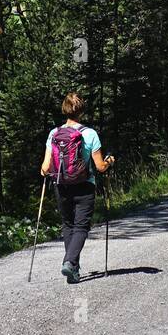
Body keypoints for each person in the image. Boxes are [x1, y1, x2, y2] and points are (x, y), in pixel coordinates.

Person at [41, 92, 115, 283]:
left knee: (68, 225)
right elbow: (99, 167)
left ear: (64, 109)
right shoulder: (90, 134)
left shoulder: (54, 133)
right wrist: (109, 162)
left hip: (61, 185)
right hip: (84, 185)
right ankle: (70, 262)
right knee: (81, 226)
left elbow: (45, 168)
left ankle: (72, 267)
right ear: (81, 111)